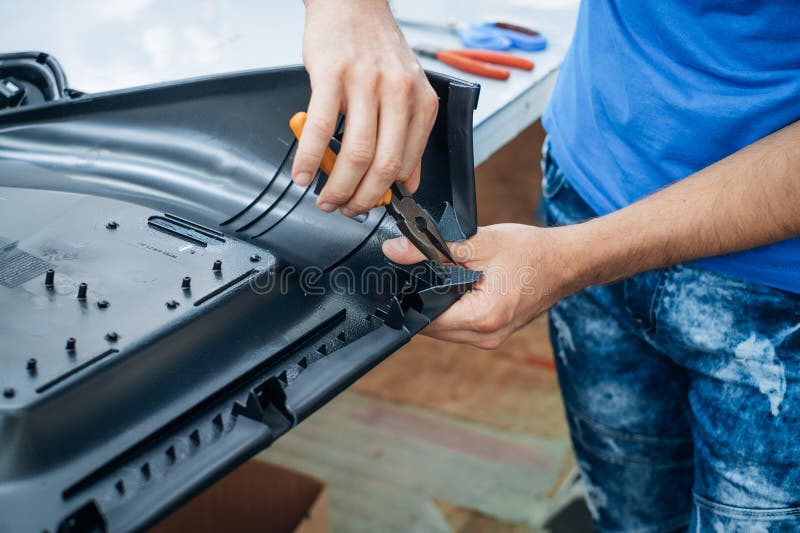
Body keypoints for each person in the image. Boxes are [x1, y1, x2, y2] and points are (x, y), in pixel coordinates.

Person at [299, 1, 800, 530]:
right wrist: (351, 13)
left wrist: (573, 257)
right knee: (631, 518)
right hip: (584, 190)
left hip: (775, 296)